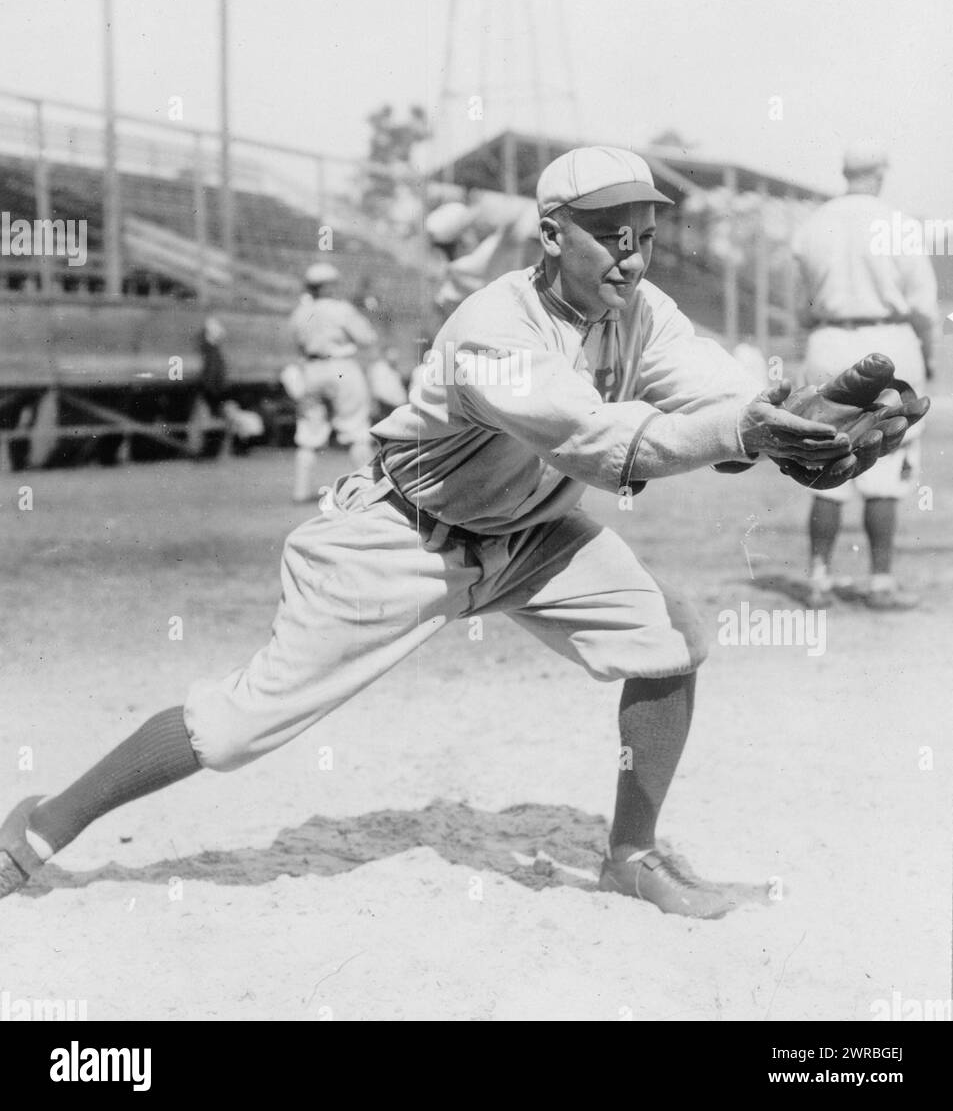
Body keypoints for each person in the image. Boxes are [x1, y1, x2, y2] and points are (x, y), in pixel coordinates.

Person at [0, 148, 900, 918]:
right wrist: (746, 433)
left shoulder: (642, 310)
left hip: (533, 533)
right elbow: (592, 440)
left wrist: (804, 422)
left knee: (668, 643)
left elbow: (712, 396)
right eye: (609, 236)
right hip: (400, 539)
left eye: (644, 237)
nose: (631, 258)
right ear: (552, 234)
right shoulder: (491, 330)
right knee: (236, 730)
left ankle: (632, 856)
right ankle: (43, 823)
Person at [792, 142, 938, 610]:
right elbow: (923, 308)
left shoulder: (814, 224)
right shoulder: (898, 224)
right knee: (887, 462)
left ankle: (818, 577)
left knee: (823, 455)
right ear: (881, 172)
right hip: (889, 342)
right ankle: (879, 581)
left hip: (829, 341)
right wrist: (928, 356)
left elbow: (801, 308)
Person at [282, 261, 378, 502]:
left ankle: (300, 491)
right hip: (341, 366)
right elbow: (367, 338)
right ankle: (367, 491)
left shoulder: (300, 311)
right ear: (328, 286)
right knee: (356, 429)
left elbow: (295, 341)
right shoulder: (341, 309)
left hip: (311, 368)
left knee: (308, 432)